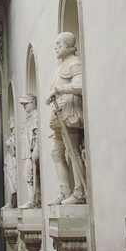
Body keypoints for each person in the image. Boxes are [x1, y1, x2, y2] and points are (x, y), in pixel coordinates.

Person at [46, 32, 86, 204]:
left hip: (69, 110)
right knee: (56, 152)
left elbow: (80, 84)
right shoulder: (61, 66)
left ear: (68, 45)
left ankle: (79, 193)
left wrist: (59, 90)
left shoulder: (75, 63)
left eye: (59, 44)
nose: (56, 47)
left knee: (72, 151)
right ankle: (64, 191)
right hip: (59, 112)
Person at [18, 94, 40, 207]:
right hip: (28, 152)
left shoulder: (35, 116)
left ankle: (32, 201)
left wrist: (36, 150)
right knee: (29, 176)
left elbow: (37, 134)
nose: (24, 106)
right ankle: (33, 199)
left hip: (31, 152)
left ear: (32, 102)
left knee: (28, 175)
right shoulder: (29, 117)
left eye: (25, 104)